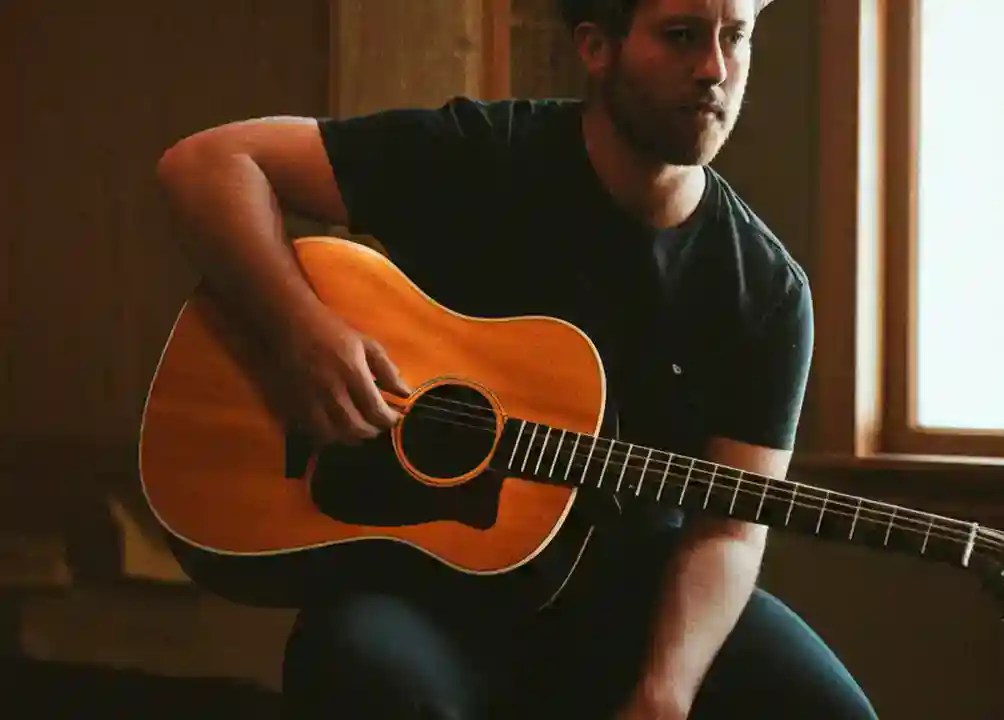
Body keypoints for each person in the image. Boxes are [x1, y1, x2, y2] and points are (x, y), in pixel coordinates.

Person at [156, 0, 879, 717]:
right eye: (682, 36)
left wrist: (666, 690)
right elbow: (209, 164)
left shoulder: (766, 291)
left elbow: (728, 528)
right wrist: (299, 332)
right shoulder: (483, 155)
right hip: (420, 579)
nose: (715, 70)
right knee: (371, 680)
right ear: (598, 47)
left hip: (632, 594)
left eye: (736, 37)